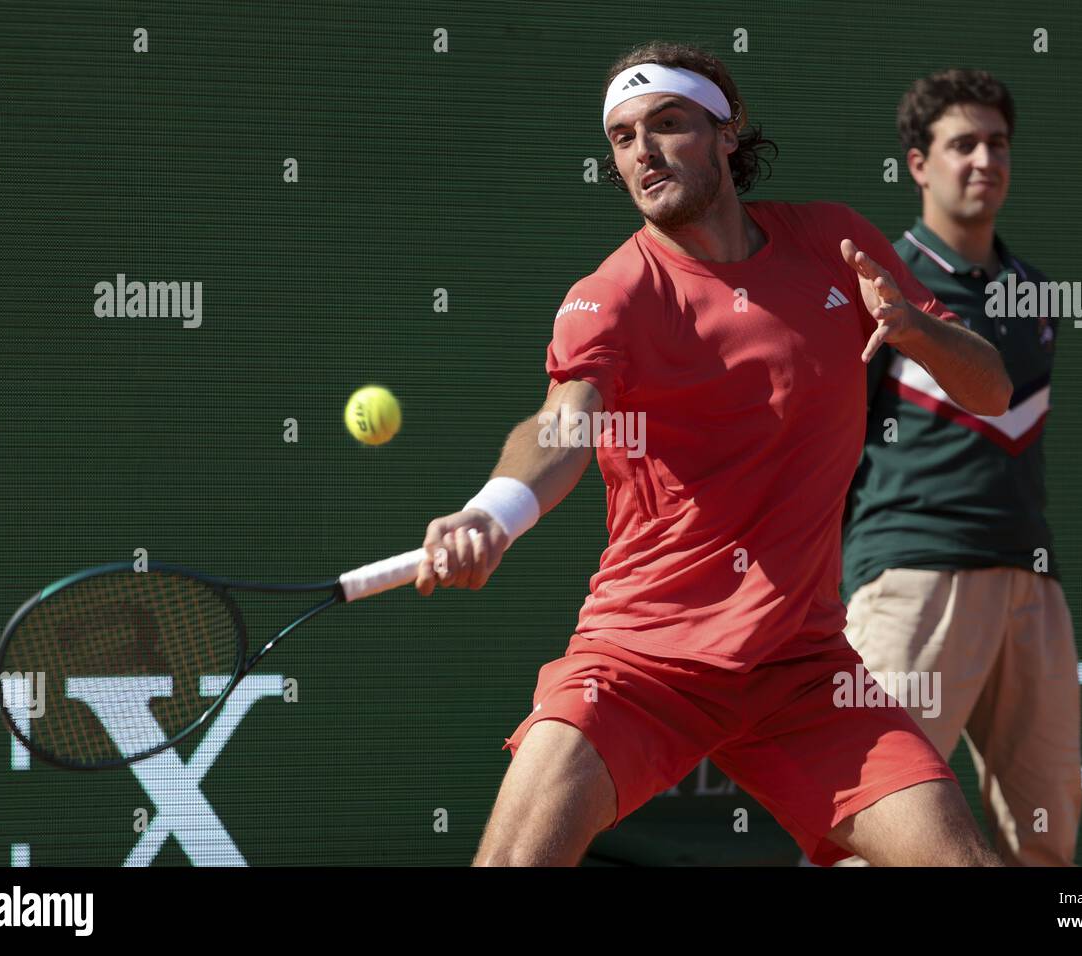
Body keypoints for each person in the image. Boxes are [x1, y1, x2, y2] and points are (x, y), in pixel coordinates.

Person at [414, 41, 1011, 867]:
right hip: (639, 662)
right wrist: (493, 511)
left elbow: (992, 390)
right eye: (622, 138)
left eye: (667, 124)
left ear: (727, 133)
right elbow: (564, 427)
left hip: (803, 669)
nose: (643, 152)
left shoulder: (834, 243)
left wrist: (925, 334)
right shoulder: (613, 296)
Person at [839, 69, 1082, 866]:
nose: (984, 159)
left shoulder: (1037, 295)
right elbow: (831, 450)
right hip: (909, 578)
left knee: (1043, 845)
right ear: (918, 164)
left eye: (998, 143)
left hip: (1030, 584)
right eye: (962, 144)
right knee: (876, 837)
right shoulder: (878, 287)